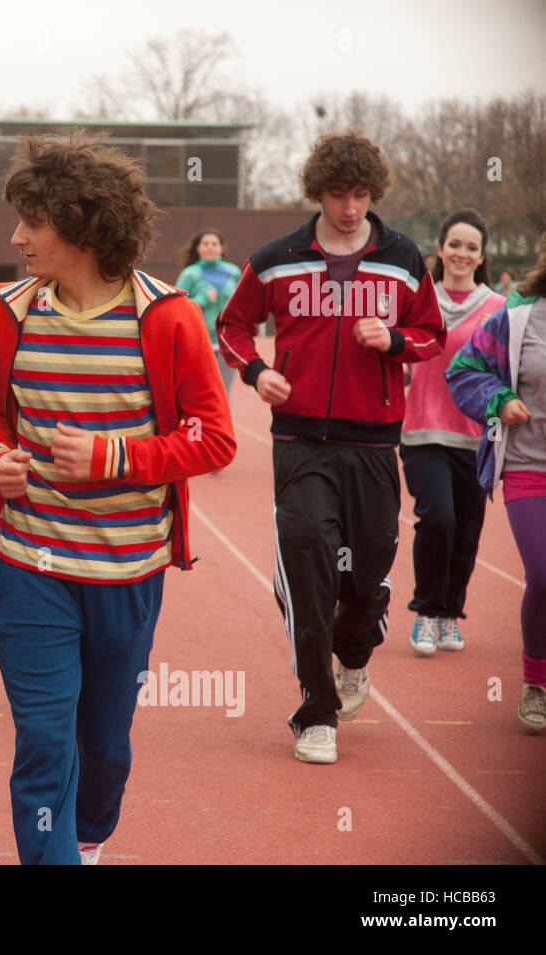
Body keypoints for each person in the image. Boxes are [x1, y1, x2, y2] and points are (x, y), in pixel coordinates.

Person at [0, 135, 235, 865]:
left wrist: (113, 456)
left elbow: (215, 440)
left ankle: (88, 840)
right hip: (30, 567)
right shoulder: (11, 315)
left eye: (34, 222)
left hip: (128, 571)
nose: (18, 238)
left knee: (104, 750)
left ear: (82, 226)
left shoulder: (169, 318)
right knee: (44, 745)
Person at [217, 131, 445, 764]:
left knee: (365, 579)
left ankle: (355, 653)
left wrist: (395, 341)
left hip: (373, 443)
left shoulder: (401, 257)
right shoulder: (277, 257)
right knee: (312, 562)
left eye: (361, 195)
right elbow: (232, 327)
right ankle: (317, 712)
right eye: (339, 195)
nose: (350, 208)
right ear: (318, 193)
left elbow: (432, 333)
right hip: (299, 440)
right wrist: (257, 373)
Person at [447, 234, 546, 733]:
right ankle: (536, 680)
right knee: (544, 574)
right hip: (530, 466)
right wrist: (499, 400)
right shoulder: (516, 318)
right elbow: (464, 369)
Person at [400, 209, 504, 654]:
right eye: (455, 244)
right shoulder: (417, 301)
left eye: (472, 247)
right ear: (440, 249)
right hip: (423, 432)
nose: (462, 253)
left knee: (467, 530)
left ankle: (449, 614)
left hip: (477, 439)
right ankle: (426, 610)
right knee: (438, 519)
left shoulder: (499, 308)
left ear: (482, 257)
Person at [175, 229, 242, 395]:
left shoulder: (233, 272)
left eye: (214, 244)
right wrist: (202, 300)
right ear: (198, 248)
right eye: (205, 244)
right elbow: (176, 307)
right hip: (199, 340)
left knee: (223, 392)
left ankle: (224, 422)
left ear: (222, 248)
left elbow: (242, 302)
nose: (210, 247)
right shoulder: (190, 274)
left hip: (227, 340)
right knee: (199, 391)